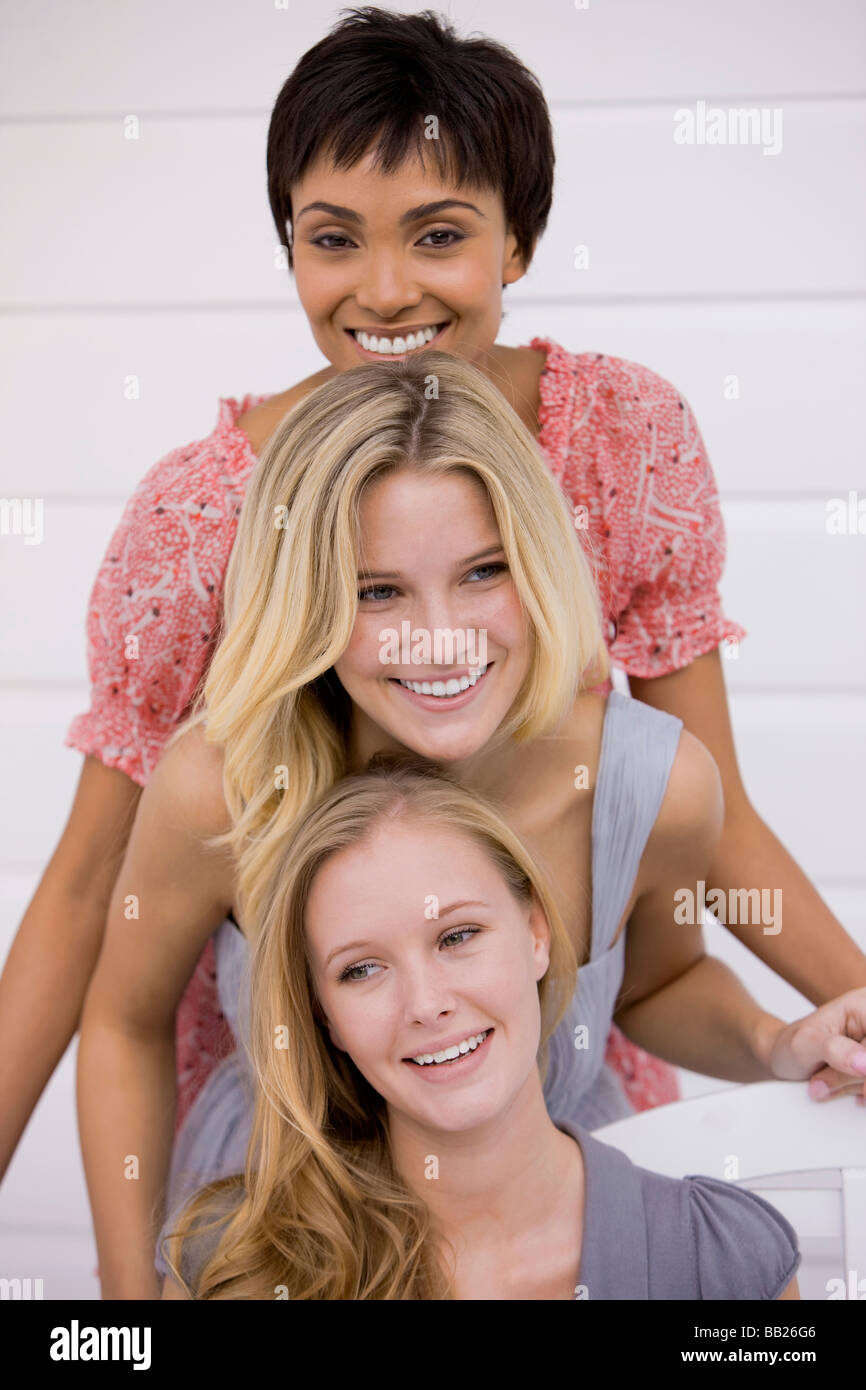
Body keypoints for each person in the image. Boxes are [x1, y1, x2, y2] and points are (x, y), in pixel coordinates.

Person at [4, 6, 865, 1187]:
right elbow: (91, 887)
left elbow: (700, 815)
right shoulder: (205, 516)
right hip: (313, 1079)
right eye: (334, 240)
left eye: (438, 235)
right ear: (290, 249)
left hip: (529, 1048)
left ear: (516, 242)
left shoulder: (622, 441)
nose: (386, 288)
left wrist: (841, 1009)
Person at [78, 352, 866, 1300]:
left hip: (547, 1222)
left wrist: (774, 1043)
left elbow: (660, 986)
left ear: (536, 563)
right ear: (311, 598)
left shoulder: (644, 781)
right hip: (285, 1234)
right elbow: (124, 1023)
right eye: (378, 592)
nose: (438, 635)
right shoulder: (225, 783)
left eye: (483, 572)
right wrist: (128, 1306)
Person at [157, 756, 802, 1300]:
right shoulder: (229, 1265)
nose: (426, 1003)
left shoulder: (725, 1264)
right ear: (326, 1019)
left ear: (537, 935)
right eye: (362, 970)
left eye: (458, 936)